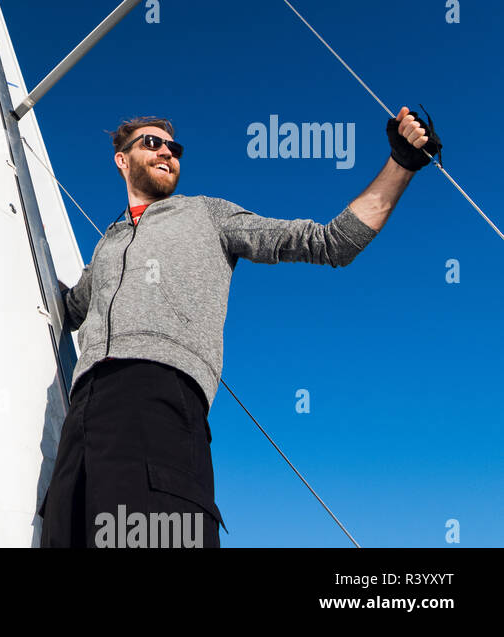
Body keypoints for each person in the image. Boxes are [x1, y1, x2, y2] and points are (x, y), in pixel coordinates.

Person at [38, 107, 440, 548]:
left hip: (159, 393)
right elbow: (71, 305)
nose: (167, 153)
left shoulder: (208, 215)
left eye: (174, 148)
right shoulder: (108, 243)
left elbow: (329, 243)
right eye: (153, 143)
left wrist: (401, 164)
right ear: (122, 159)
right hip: (81, 412)